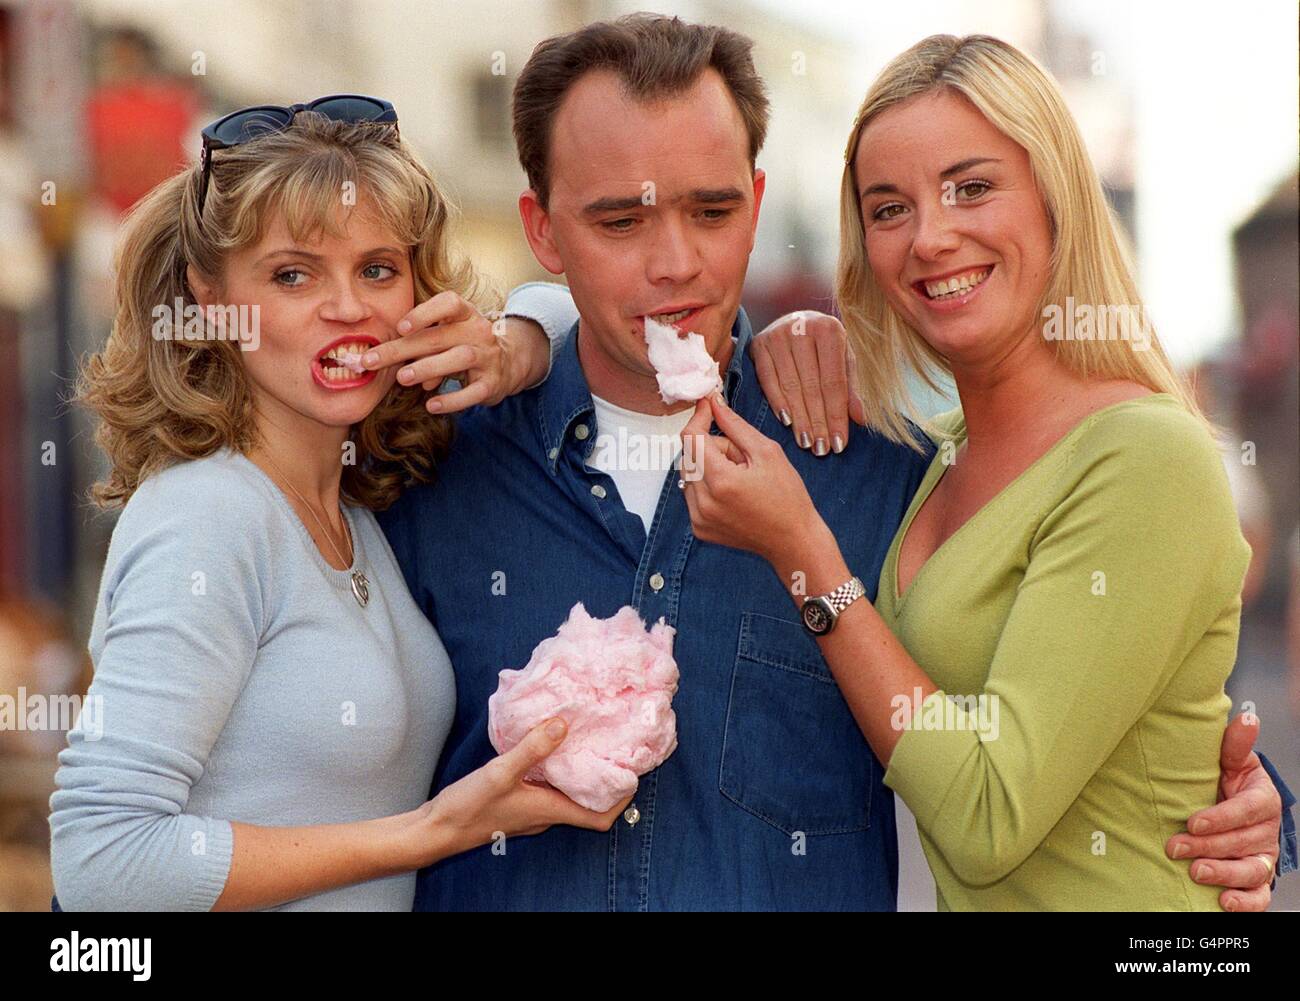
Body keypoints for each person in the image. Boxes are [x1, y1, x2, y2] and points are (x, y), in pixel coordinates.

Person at [372, 15, 1286, 910]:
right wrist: (531, 322)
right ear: (542, 230)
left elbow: (1073, 713)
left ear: (759, 207)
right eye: (620, 221)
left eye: (712, 210)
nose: (675, 263)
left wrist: (1254, 806)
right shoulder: (424, 468)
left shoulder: (880, 469)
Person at [674, 34, 1291, 909]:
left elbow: (990, 811)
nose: (931, 237)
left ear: (1054, 196)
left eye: (971, 187)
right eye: (890, 208)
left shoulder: (1145, 456)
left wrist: (801, 548)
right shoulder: (934, 454)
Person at [49, 99, 630, 911]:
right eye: (293, 274)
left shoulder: (358, 511)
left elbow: (590, 310)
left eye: (378, 270)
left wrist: (512, 343)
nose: (349, 307)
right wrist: (433, 830)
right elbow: (102, 860)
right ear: (211, 298)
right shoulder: (208, 516)